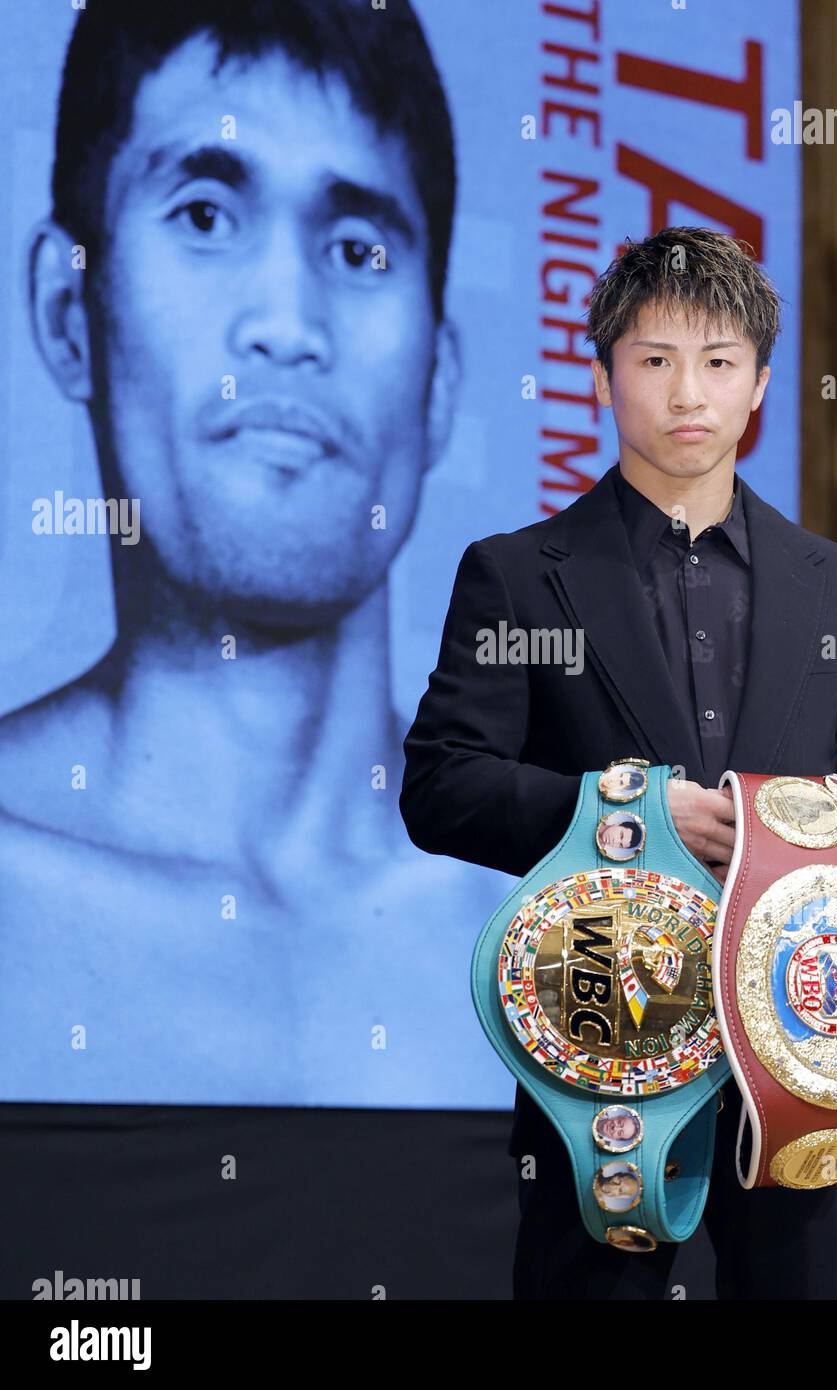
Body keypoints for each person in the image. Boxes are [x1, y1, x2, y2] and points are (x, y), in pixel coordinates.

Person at [400, 225, 837, 1299]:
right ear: (604, 373)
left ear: (758, 385)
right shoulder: (518, 576)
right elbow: (442, 783)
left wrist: (780, 823)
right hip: (603, 1028)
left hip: (808, 1039)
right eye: (655, 360)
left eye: (718, 362)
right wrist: (633, 809)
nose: (687, 392)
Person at [0, 0, 510, 1107]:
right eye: (202, 215)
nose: (287, 320)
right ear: (67, 311)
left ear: (438, 386)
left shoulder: (579, 939)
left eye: (356, 246)